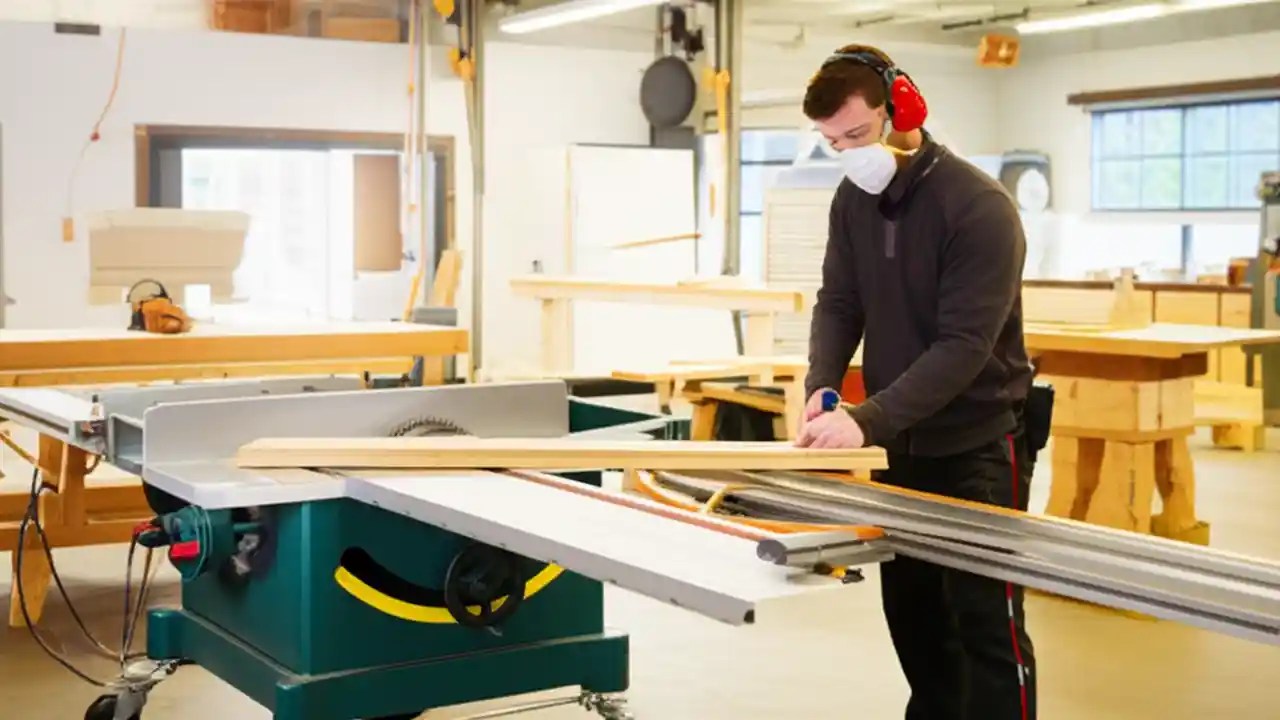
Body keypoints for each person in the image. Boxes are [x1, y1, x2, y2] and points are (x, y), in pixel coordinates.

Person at [793, 44, 1040, 720]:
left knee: (983, 623)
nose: (847, 153)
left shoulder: (979, 208)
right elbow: (839, 302)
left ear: (902, 111)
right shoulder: (854, 199)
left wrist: (865, 419)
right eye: (831, 142)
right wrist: (822, 387)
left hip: (979, 445)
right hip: (899, 446)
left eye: (857, 135)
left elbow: (964, 346)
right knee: (914, 616)